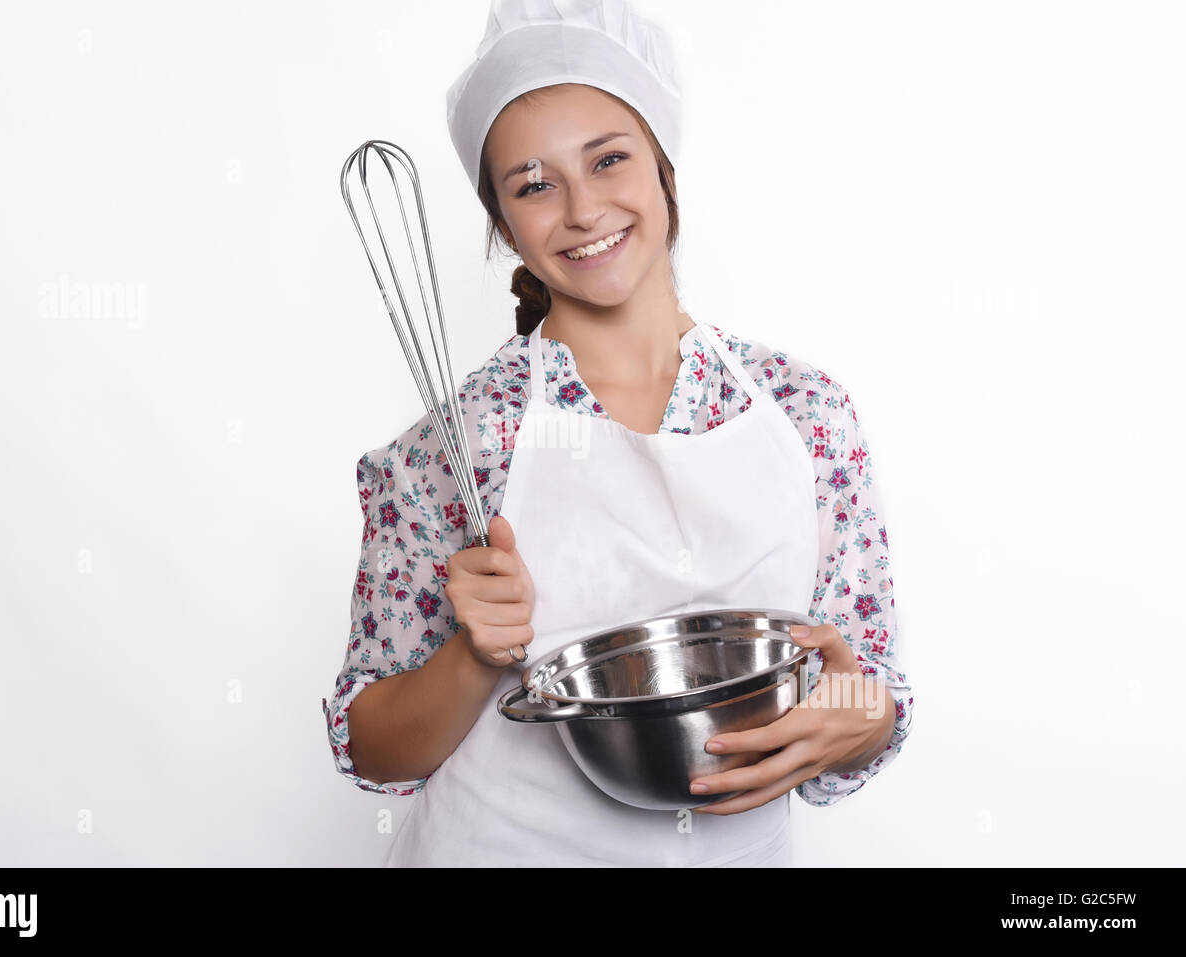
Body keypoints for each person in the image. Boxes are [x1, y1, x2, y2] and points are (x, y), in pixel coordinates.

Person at [322, 0, 914, 867]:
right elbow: (370, 746)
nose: (582, 209)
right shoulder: (453, 449)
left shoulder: (805, 414)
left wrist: (866, 716)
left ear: (664, 166)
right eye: (534, 184)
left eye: (609, 160)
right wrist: (474, 657)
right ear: (503, 225)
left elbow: (874, 684)